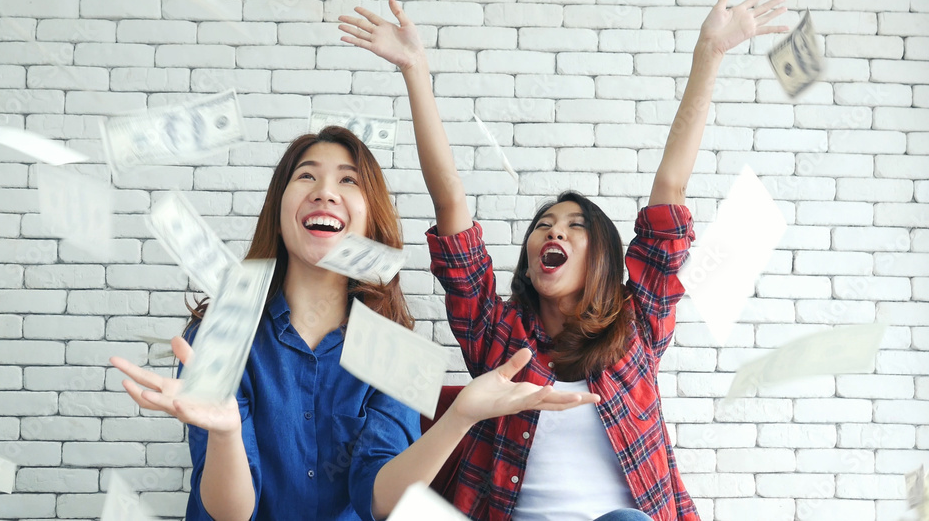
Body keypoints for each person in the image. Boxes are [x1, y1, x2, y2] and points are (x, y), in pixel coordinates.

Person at [338, 0, 787, 521]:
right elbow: (450, 200)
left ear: (603, 258)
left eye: (576, 227)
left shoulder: (637, 326)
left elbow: (671, 187)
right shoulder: (498, 339)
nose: (554, 233)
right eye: (544, 226)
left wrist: (708, 54)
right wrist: (415, 70)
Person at [111, 126, 599, 521]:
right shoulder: (222, 331)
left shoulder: (396, 349)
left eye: (348, 181)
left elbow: (380, 501)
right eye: (306, 177)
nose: (325, 191)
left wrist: (461, 415)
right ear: (279, 208)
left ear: (370, 220)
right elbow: (231, 512)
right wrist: (225, 433)